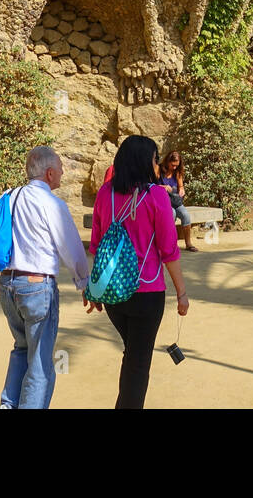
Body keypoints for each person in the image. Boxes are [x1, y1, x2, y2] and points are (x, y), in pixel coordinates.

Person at [88, 135, 189, 409]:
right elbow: (169, 250)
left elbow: (96, 245)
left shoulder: (104, 193)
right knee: (137, 363)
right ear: (146, 162)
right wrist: (182, 292)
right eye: (156, 160)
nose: (158, 165)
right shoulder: (156, 195)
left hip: (112, 293)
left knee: (132, 355)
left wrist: (94, 287)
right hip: (147, 292)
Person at [0, 146, 92, 409]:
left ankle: (8, 405)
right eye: (60, 167)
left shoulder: (9, 196)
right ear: (50, 173)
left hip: (7, 284)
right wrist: (84, 283)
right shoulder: (52, 203)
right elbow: (70, 247)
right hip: (37, 287)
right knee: (40, 359)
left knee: (21, 348)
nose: (63, 171)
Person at [159, 151, 198, 253]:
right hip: (163, 201)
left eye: (177, 165)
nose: (175, 167)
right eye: (173, 165)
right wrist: (163, 187)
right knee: (172, 213)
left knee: (185, 215)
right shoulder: (159, 170)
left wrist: (181, 190)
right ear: (168, 162)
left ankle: (188, 243)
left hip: (175, 201)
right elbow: (150, 185)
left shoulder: (177, 171)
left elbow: (181, 186)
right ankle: (170, 243)